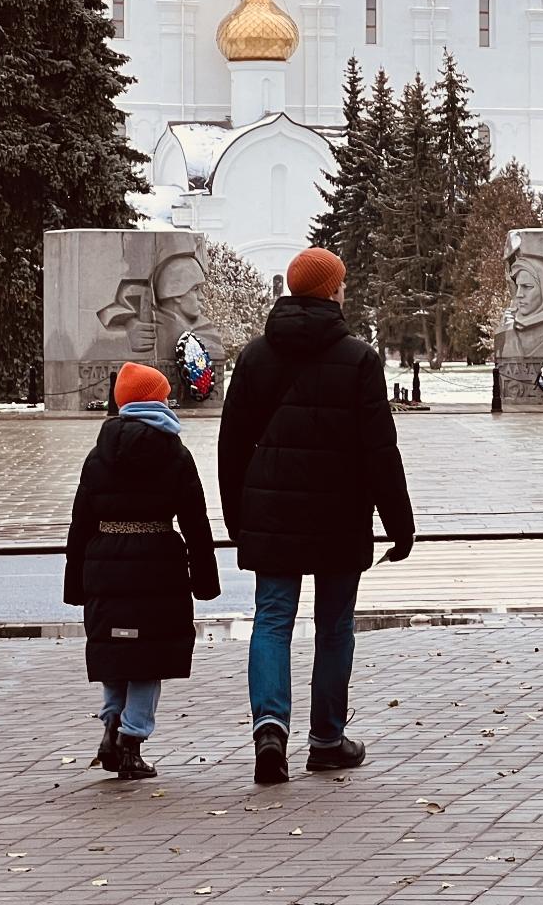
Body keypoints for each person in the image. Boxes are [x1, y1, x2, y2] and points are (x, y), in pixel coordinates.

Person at [219, 247, 415, 786]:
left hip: (272, 514)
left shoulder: (256, 356)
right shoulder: (359, 358)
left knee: (273, 618)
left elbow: (231, 444)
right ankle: (326, 739)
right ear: (330, 291)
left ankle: (269, 732)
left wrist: (237, 515)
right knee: (334, 626)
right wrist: (399, 524)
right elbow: (380, 450)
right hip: (339, 514)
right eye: (341, 284)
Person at [63, 361, 220, 781]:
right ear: (156, 400)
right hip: (158, 565)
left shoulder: (98, 454)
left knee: (117, 650)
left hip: (106, 563)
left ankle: (111, 726)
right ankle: (131, 741)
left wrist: (75, 582)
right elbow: (195, 521)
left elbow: (80, 524)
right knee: (149, 655)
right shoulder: (174, 453)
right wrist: (205, 579)